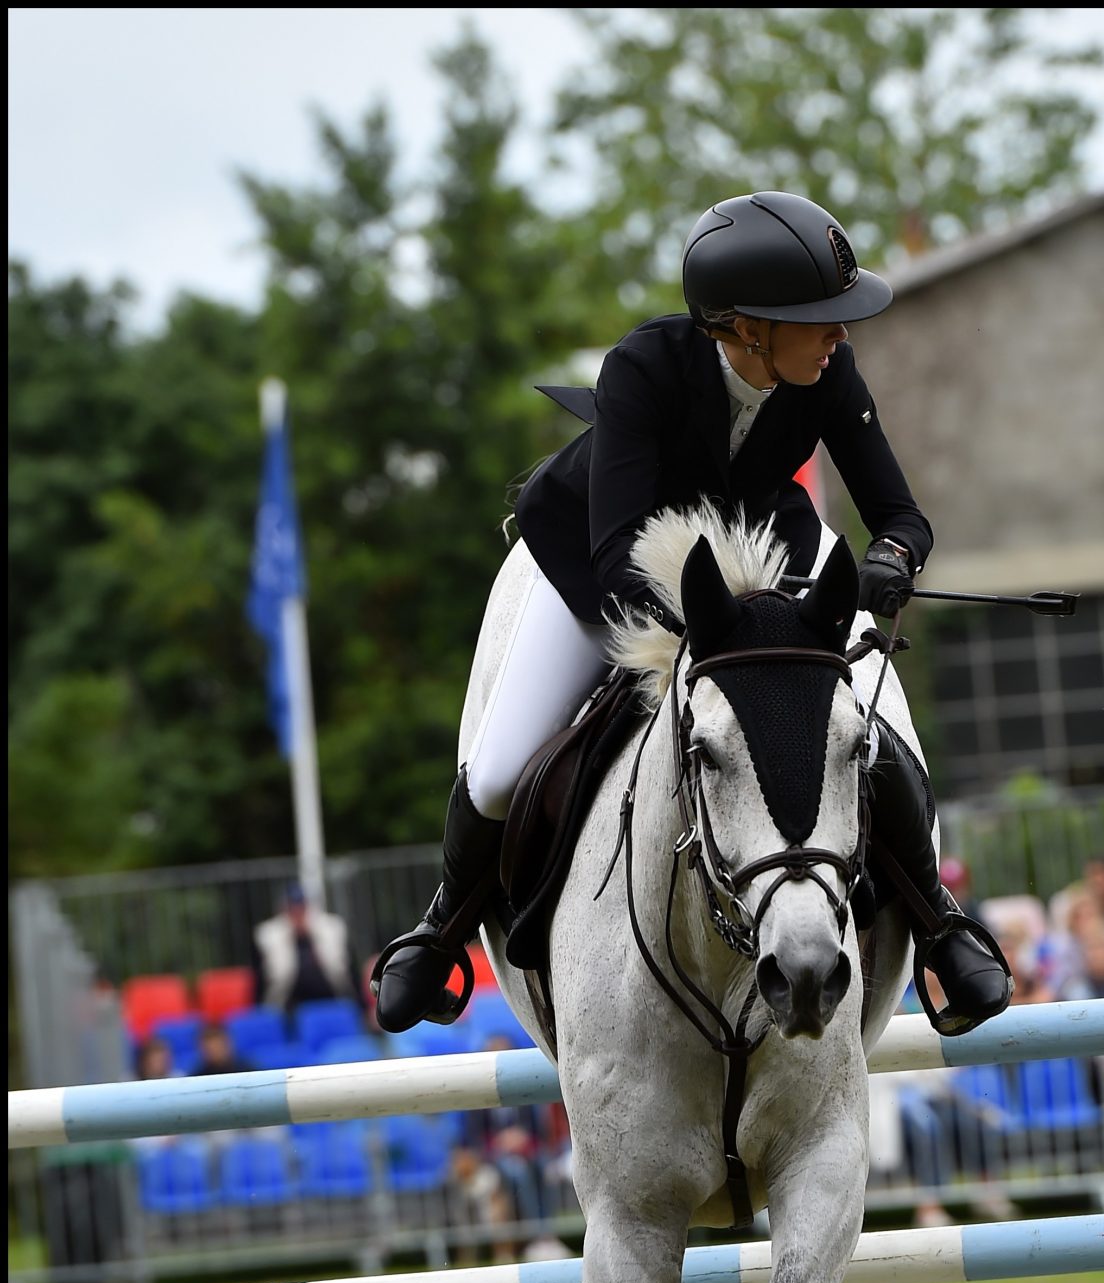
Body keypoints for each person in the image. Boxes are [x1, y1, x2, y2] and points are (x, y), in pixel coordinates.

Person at [373, 190, 1011, 1041]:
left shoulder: (827, 371)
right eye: (819, 318)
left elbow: (899, 513)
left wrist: (892, 560)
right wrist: (717, 633)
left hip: (760, 545)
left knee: (851, 721)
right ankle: (441, 926)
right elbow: (617, 555)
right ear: (747, 328)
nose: (840, 335)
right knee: (495, 775)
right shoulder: (642, 368)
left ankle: (936, 919)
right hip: (614, 562)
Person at [253, 885, 360, 1016]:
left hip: (331, 1001)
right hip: (289, 1009)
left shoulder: (331, 930)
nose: (298, 914)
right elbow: (260, 983)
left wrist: (362, 1007)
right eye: (293, 909)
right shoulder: (270, 937)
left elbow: (351, 973)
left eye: (301, 908)